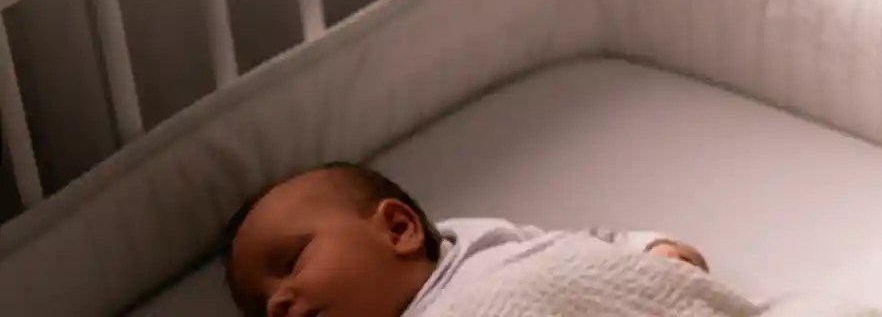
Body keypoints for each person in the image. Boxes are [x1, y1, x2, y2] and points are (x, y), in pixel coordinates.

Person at [223, 162, 708, 317]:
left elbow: (586, 250)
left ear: (398, 229)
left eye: (291, 262)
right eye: (260, 310)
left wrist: (652, 254)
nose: (276, 305)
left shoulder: (484, 244)